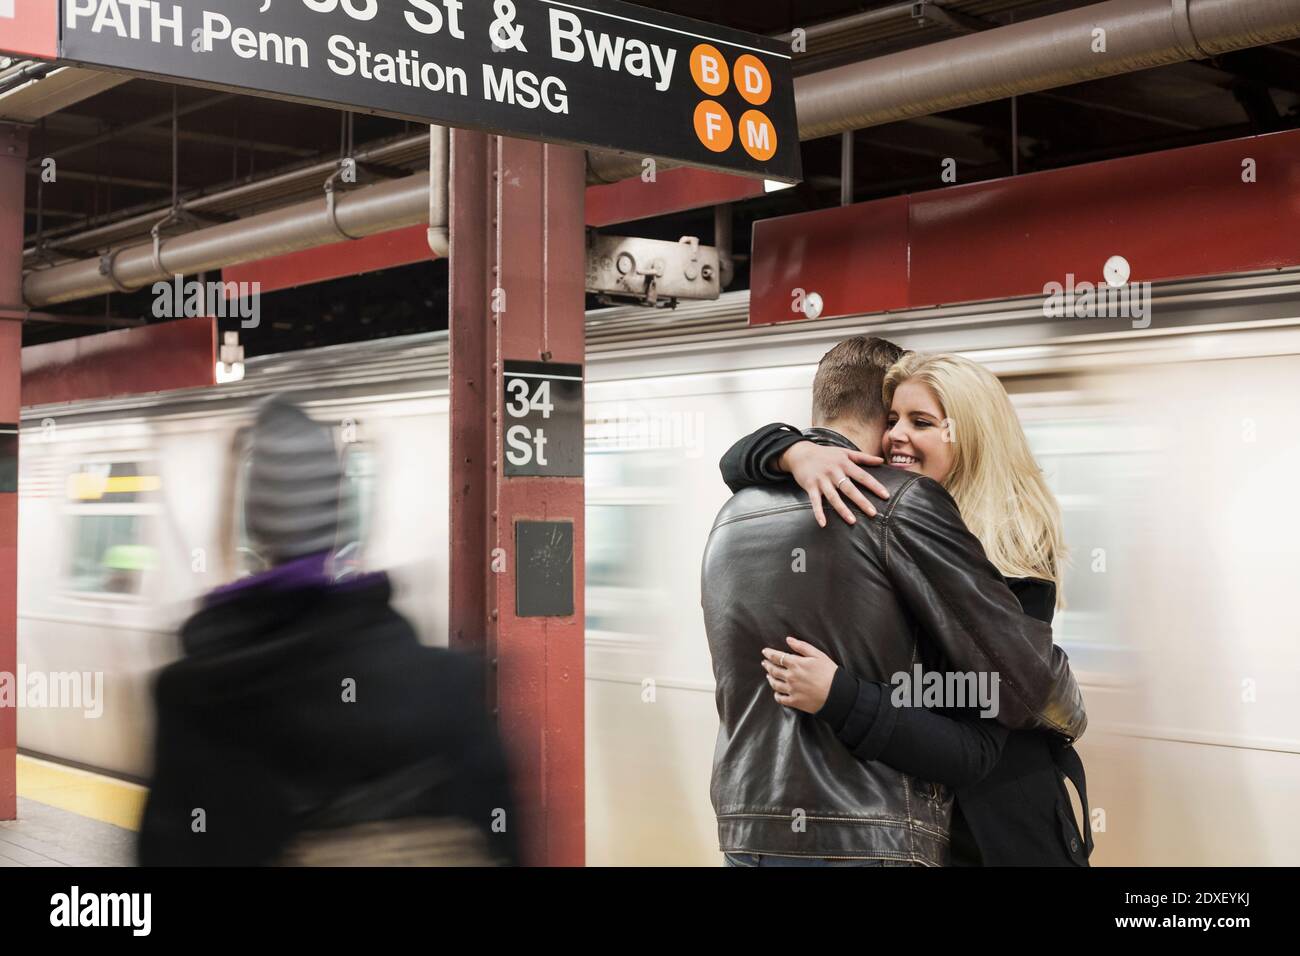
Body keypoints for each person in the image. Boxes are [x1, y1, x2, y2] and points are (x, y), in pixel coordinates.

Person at [702, 336, 1086, 867]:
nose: (895, 437)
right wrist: (795, 450)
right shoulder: (888, 517)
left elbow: (992, 705)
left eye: (920, 423)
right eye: (892, 419)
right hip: (927, 819)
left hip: (999, 826)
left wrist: (844, 694)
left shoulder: (1008, 545)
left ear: (969, 436)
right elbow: (736, 462)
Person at [138, 395, 517, 866]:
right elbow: (501, 842)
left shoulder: (195, 700)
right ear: (339, 520)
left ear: (255, 531)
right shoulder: (448, 687)